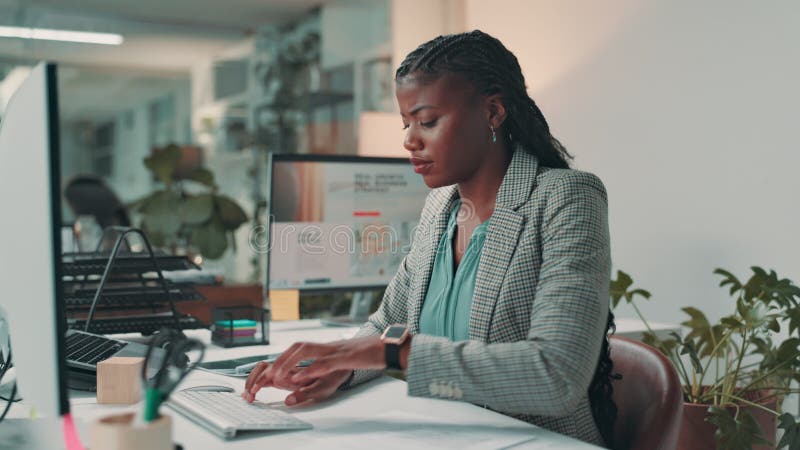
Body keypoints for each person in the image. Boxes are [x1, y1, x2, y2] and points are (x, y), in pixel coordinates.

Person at [245, 30, 617, 448]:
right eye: (407, 124)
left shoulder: (567, 197)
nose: (409, 140)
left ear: (493, 112)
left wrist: (390, 353)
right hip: (450, 434)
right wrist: (334, 366)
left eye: (427, 122)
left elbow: (557, 374)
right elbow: (388, 322)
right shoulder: (441, 207)